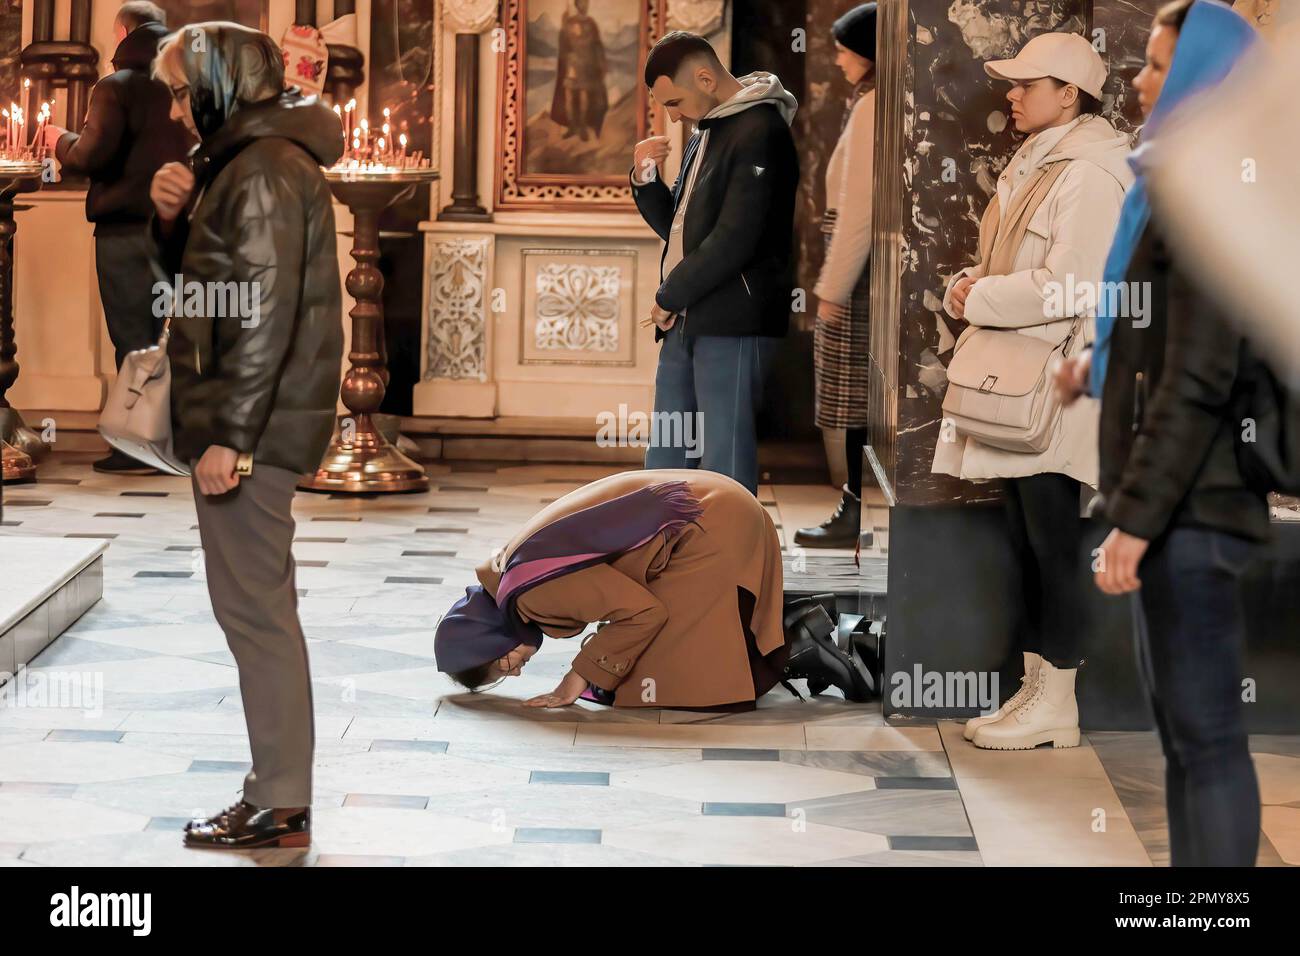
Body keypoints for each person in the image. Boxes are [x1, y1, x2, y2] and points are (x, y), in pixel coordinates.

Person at [1058, 0, 1266, 866]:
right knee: (1185, 736)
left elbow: (1199, 379)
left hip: (1195, 505)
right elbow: (1166, 343)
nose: (1138, 80)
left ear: (1202, 77)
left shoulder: (1211, 194)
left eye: (1156, 64)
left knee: (1206, 737)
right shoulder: (1175, 181)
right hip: (1180, 499)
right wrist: (1097, 367)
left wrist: (1136, 521)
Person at [148, 22, 344, 850]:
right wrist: (174, 223)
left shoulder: (261, 168)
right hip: (255, 421)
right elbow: (211, 289)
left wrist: (230, 437)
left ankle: (278, 800)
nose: (174, 110)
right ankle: (278, 792)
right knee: (255, 608)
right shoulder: (246, 162)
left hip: (254, 428)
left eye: (180, 91)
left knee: (255, 612)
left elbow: (260, 316)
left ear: (219, 86)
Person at [930, 32, 1134, 749]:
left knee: (1051, 544)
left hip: (1058, 381)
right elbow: (1017, 262)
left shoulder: (1090, 173)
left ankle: (1058, 703)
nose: (1011, 95)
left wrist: (978, 296)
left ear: (1069, 94)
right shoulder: (1044, 160)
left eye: (1027, 84)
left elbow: (1072, 285)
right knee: (1028, 539)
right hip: (1027, 372)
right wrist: (970, 285)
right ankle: (1036, 690)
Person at [435, 470, 790, 710]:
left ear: (490, 639)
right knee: (625, 666)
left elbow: (644, 613)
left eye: (502, 667)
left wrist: (576, 677)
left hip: (713, 524)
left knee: (654, 686)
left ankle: (800, 644)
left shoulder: (531, 593)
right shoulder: (508, 572)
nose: (516, 673)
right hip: (720, 502)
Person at [631, 31, 799, 495]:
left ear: (705, 79)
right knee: (668, 449)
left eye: (675, 102)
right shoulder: (709, 128)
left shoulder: (762, 130)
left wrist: (669, 295)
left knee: (723, 457)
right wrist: (645, 179)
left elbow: (735, 239)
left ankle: (729, 544)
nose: (672, 116)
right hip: (689, 313)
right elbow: (682, 228)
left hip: (732, 320)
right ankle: (664, 538)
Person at [44, 1, 193, 475]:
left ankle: (140, 446)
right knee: (174, 334)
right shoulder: (189, 84)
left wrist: (58, 140)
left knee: (133, 336)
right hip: (182, 225)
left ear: (124, 32)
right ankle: (180, 440)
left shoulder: (116, 86)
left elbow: (91, 156)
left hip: (127, 229)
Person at [796, 3, 877, 548]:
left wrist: (831, 287)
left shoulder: (873, 106)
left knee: (851, 399)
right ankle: (851, 508)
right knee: (853, 399)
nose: (839, 60)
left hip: (855, 269)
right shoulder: (869, 100)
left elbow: (857, 211)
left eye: (846, 50)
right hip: (854, 265)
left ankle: (852, 511)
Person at [551, 0, 608, 142]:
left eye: (586, 3)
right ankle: (572, 126)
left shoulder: (591, 23)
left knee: (584, 97)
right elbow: (564, 44)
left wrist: (601, 62)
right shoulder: (569, 22)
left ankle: (582, 126)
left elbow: (597, 44)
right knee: (569, 97)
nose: (586, 5)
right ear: (577, 5)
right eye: (583, 3)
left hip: (588, 65)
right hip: (572, 65)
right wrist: (563, 26)